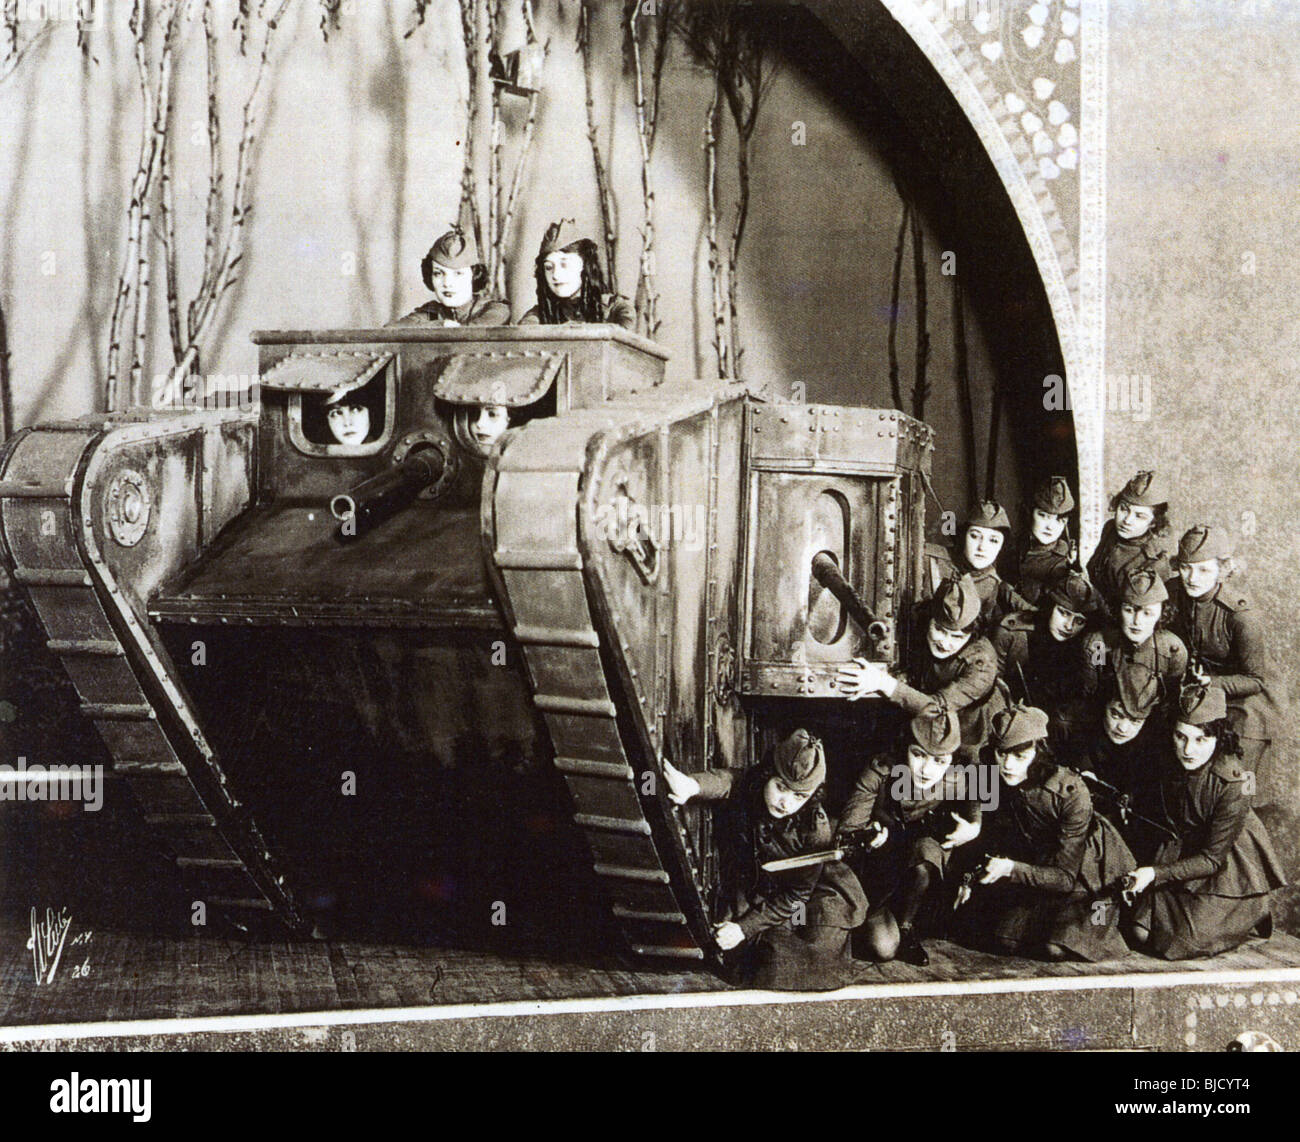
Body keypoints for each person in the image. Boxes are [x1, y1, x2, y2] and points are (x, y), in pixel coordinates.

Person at [661, 730, 868, 990]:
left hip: (814, 893)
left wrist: (744, 928)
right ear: (767, 774)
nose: (786, 803)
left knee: (807, 963)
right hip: (760, 887)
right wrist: (692, 786)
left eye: (799, 796)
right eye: (780, 787)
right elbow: (726, 780)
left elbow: (796, 897)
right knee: (739, 955)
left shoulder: (816, 829)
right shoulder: (751, 783)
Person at [956, 704, 1134, 961]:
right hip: (1035, 864)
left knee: (1057, 948)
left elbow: (1064, 877)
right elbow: (976, 779)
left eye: (1020, 756)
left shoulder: (1069, 792)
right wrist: (973, 834)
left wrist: (1010, 869)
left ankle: (1110, 919)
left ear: (1039, 751)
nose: (1008, 765)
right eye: (1002, 754)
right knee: (1002, 939)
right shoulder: (991, 770)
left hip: (1086, 874)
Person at [1122, 684, 1286, 960]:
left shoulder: (1234, 780)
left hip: (1227, 862)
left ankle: (1250, 908)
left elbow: (1212, 859)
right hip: (1182, 850)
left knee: (1178, 943)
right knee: (1138, 933)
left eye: (1201, 740)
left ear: (1219, 737)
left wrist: (1155, 874)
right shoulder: (1165, 758)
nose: (1188, 750)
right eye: (1181, 736)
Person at [838, 705, 982, 966]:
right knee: (882, 949)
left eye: (940, 761)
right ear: (905, 748)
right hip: (877, 876)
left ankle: (907, 928)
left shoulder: (962, 773)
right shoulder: (881, 770)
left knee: (928, 853)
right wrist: (867, 837)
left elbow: (980, 793)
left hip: (918, 876)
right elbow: (846, 834)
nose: (927, 770)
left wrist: (975, 824)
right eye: (918, 755)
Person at [837, 573, 1004, 763]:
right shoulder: (917, 622)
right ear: (929, 620)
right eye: (939, 630)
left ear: (972, 635)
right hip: (919, 722)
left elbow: (937, 709)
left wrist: (883, 683)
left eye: (957, 637)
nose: (945, 643)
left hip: (968, 735)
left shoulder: (982, 665)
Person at [1163, 524, 1288, 773]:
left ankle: (1243, 804)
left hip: (1246, 697)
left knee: (1236, 764)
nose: (1192, 578)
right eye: (1186, 568)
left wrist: (1212, 683)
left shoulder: (1240, 615)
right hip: (1198, 685)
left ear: (1221, 570)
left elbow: (1256, 679)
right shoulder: (1172, 592)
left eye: (1204, 569)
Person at [992, 568, 1104, 747]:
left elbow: (1093, 693)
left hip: (1059, 728)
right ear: (1050, 607)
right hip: (1012, 719)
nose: (1068, 626)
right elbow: (993, 686)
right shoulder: (1011, 633)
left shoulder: (1094, 645)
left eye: (1079, 621)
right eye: (1063, 612)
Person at [1080, 567, 1188, 715]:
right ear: (1118, 610)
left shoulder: (1172, 650)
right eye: (1129, 610)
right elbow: (1092, 693)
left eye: (1147, 613)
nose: (1137, 621)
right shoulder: (1099, 645)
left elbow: (1170, 700)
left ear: (1162, 615)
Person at [1067, 673, 1164, 826]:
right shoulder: (1075, 732)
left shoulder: (1155, 747)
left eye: (1135, 721)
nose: (1123, 728)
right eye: (1116, 714)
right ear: (1103, 705)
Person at [926, 501, 1033, 630]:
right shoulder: (931, 557)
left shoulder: (992, 583)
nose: (982, 547)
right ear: (963, 537)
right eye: (974, 536)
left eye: (993, 540)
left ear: (1001, 547)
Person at [517, 219, 635, 328]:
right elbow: (524, 335)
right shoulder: (539, 314)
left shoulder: (615, 308)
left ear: (585, 266)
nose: (556, 275)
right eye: (548, 267)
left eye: (565, 265)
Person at [1086, 469, 1172, 616]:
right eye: (1124, 509)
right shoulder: (1110, 529)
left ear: (1153, 523)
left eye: (1140, 516)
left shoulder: (1154, 562)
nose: (1127, 520)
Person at [389, 226, 510, 327]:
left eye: (458, 273)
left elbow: (473, 334)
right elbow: (387, 333)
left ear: (474, 276)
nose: (447, 283)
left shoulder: (492, 310)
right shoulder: (432, 314)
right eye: (438, 273)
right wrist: (440, 324)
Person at [1012, 476, 1077, 606]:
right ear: (1030, 513)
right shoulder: (1011, 546)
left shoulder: (1065, 562)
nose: (1050, 527)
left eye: (1059, 520)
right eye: (1043, 516)